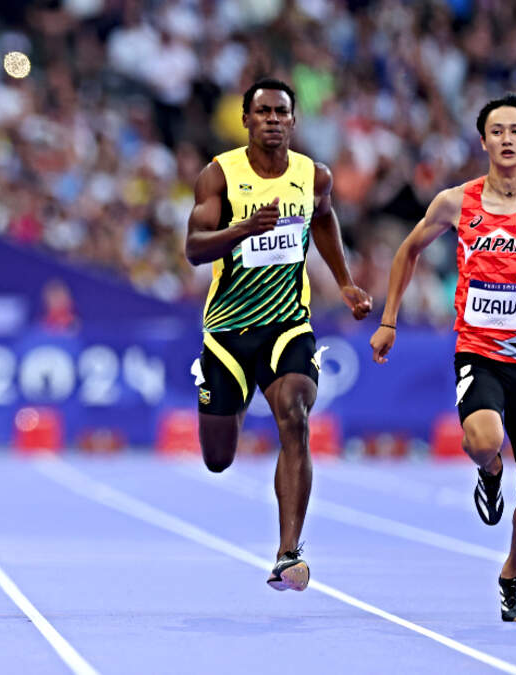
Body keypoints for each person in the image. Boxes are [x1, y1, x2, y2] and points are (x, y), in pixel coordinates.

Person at [370, 94, 516, 622]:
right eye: (497, 131)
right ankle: (489, 469)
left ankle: (512, 572)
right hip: (479, 352)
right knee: (484, 439)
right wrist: (389, 320)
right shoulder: (457, 201)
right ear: (484, 141)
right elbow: (408, 249)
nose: (507, 139)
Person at [184, 78, 372, 591]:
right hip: (227, 332)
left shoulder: (314, 176)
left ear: (293, 121)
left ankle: (288, 553)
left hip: (289, 326)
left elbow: (325, 221)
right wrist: (243, 229)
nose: (271, 119)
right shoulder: (219, 174)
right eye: (262, 111)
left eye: (280, 112)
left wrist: (346, 282)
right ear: (246, 119)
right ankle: (225, 392)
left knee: (295, 414)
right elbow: (194, 249)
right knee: (218, 459)